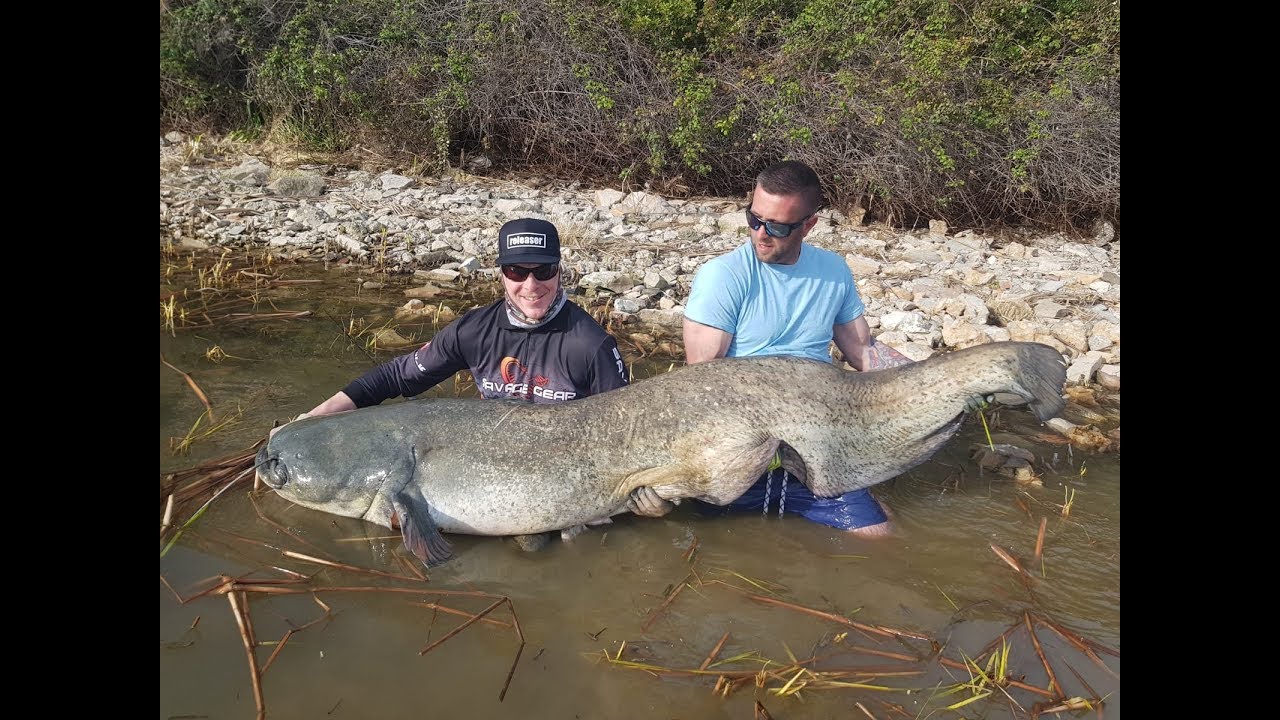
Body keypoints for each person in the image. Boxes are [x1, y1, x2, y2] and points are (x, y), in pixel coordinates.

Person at [276, 217, 669, 521]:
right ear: (501, 273)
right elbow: (395, 377)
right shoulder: (474, 330)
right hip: (485, 471)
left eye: (543, 271)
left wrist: (647, 496)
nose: (531, 285)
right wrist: (314, 419)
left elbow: (624, 434)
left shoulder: (590, 343)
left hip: (563, 475)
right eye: (517, 272)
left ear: (559, 271)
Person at [682, 160, 915, 538]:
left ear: (809, 225)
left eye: (776, 226)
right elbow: (702, 378)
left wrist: (931, 382)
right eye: (754, 219)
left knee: (881, 537)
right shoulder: (723, 276)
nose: (760, 234)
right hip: (744, 451)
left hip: (817, 445)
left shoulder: (833, 270)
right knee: (718, 545)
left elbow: (864, 352)